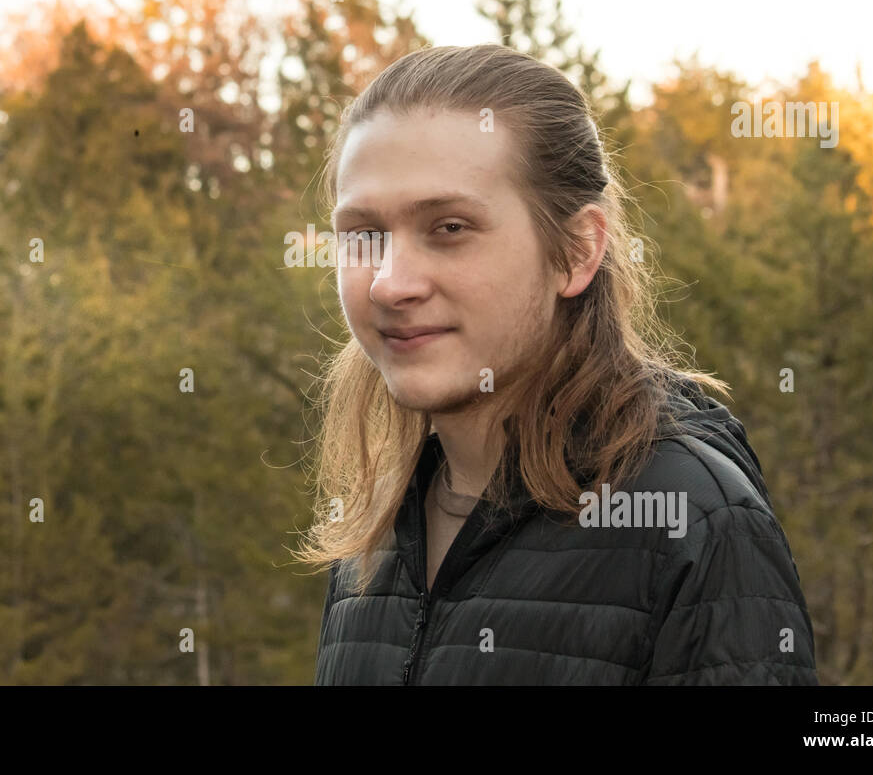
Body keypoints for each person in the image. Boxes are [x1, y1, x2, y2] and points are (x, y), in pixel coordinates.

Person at [296, 44, 818, 685]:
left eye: (450, 228)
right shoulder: (376, 535)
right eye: (364, 236)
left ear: (575, 252)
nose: (390, 283)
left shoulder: (689, 522)